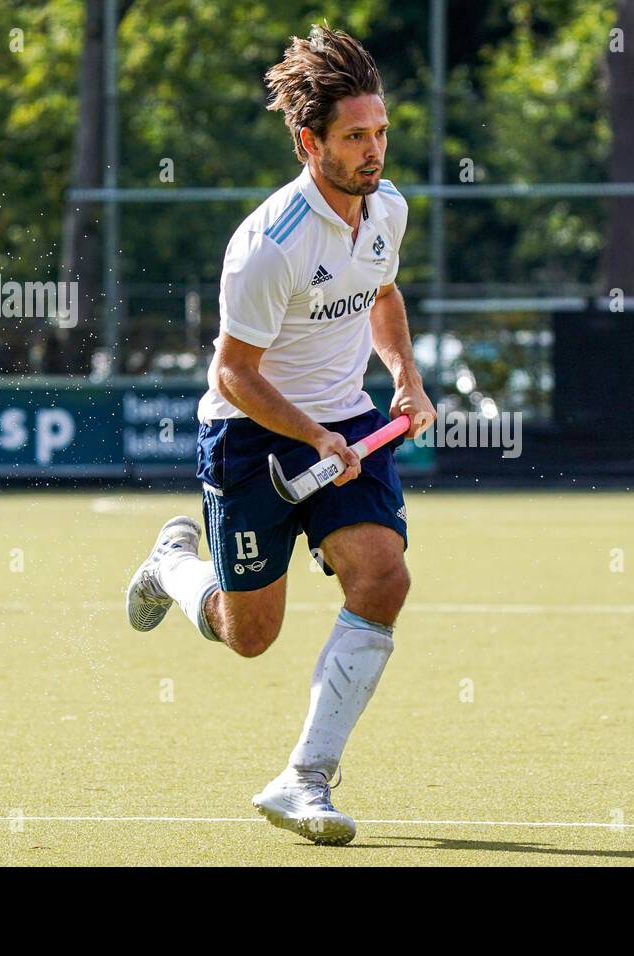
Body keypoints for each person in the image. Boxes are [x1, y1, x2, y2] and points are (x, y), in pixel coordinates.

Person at [124, 23, 435, 846]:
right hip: (251, 438)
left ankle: (305, 777)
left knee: (384, 578)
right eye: (355, 137)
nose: (374, 152)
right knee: (248, 635)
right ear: (310, 143)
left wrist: (403, 374)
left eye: (380, 133)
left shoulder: (387, 208)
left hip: (348, 423)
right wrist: (310, 437)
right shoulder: (269, 245)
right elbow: (233, 373)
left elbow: (383, 294)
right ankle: (173, 568)